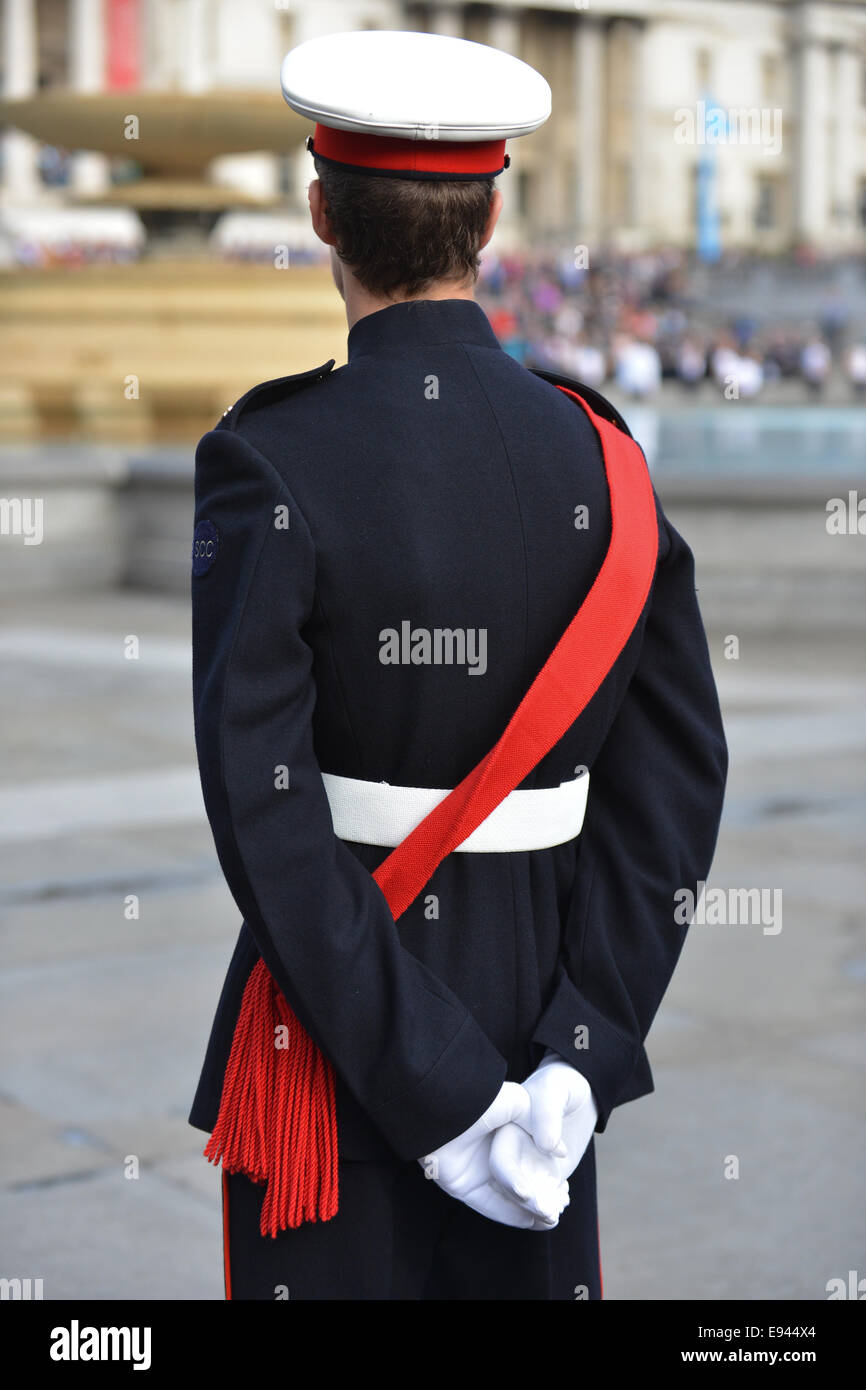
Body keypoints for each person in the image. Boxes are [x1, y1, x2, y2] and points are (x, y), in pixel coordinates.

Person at [187, 29, 727, 1301]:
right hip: (543, 1032)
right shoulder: (603, 460)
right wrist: (577, 1057)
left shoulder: (268, 459)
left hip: (335, 1015)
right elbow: (674, 792)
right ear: (491, 217)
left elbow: (260, 809)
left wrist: (439, 1096)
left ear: (320, 212)